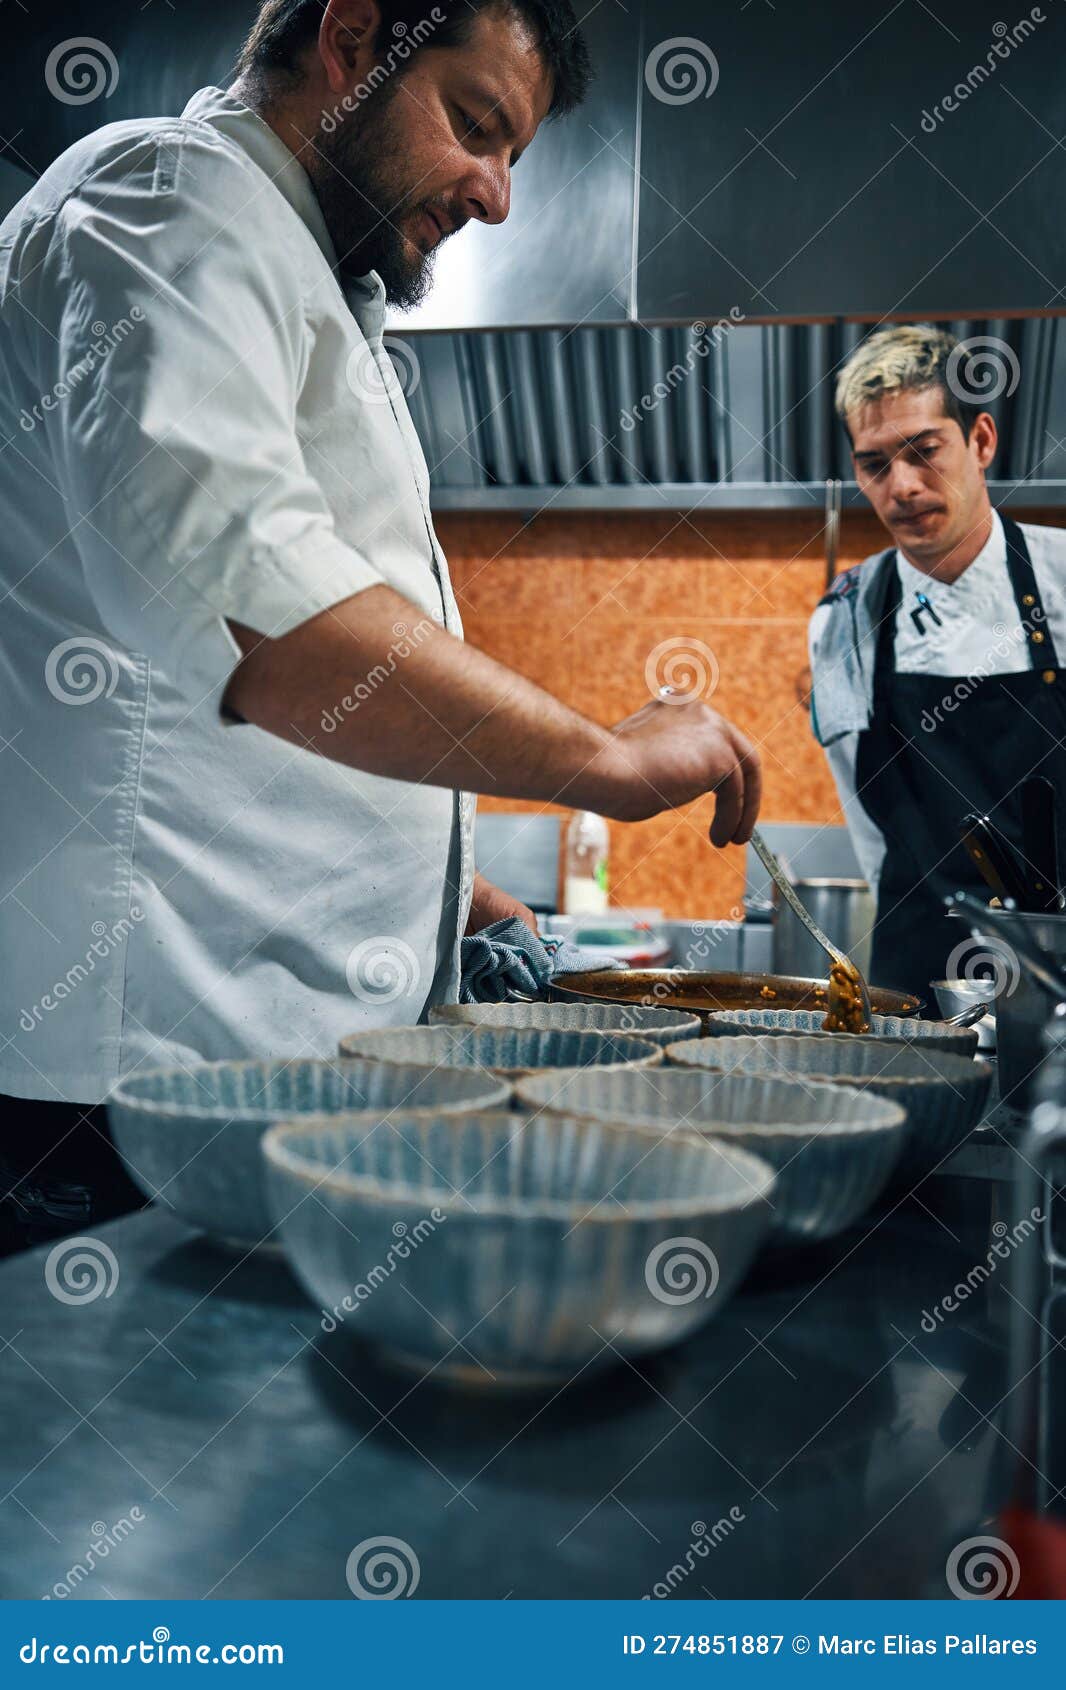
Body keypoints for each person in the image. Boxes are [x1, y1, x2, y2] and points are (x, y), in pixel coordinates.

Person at [0, 0, 761, 1248]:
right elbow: (255, 612)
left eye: (513, 154)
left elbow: (251, 728)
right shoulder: (172, 205)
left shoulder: (309, 279)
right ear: (354, 40)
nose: (497, 196)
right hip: (120, 1081)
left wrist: (456, 897)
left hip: (230, 1067)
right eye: (476, 126)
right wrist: (606, 760)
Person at [808, 323, 1066, 997]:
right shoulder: (843, 620)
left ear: (981, 440)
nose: (903, 486)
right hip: (917, 986)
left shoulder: (1063, 578)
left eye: (924, 451)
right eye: (874, 464)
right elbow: (867, 823)